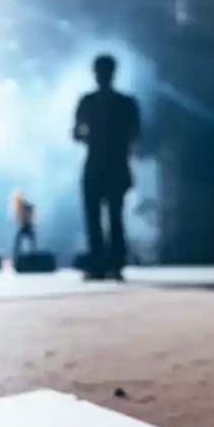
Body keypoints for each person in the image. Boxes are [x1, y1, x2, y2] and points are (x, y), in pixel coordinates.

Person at [74, 54, 140, 281]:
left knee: (95, 217)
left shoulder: (87, 102)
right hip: (117, 164)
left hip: (95, 164)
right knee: (115, 216)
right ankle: (115, 264)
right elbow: (135, 135)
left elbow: (76, 133)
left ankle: (97, 264)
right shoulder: (126, 103)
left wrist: (92, 138)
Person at [10, 190, 37, 257]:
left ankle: (33, 253)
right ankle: (17, 252)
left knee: (28, 239)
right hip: (24, 225)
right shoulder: (21, 206)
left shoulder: (25, 205)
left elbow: (30, 211)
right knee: (20, 239)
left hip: (27, 225)